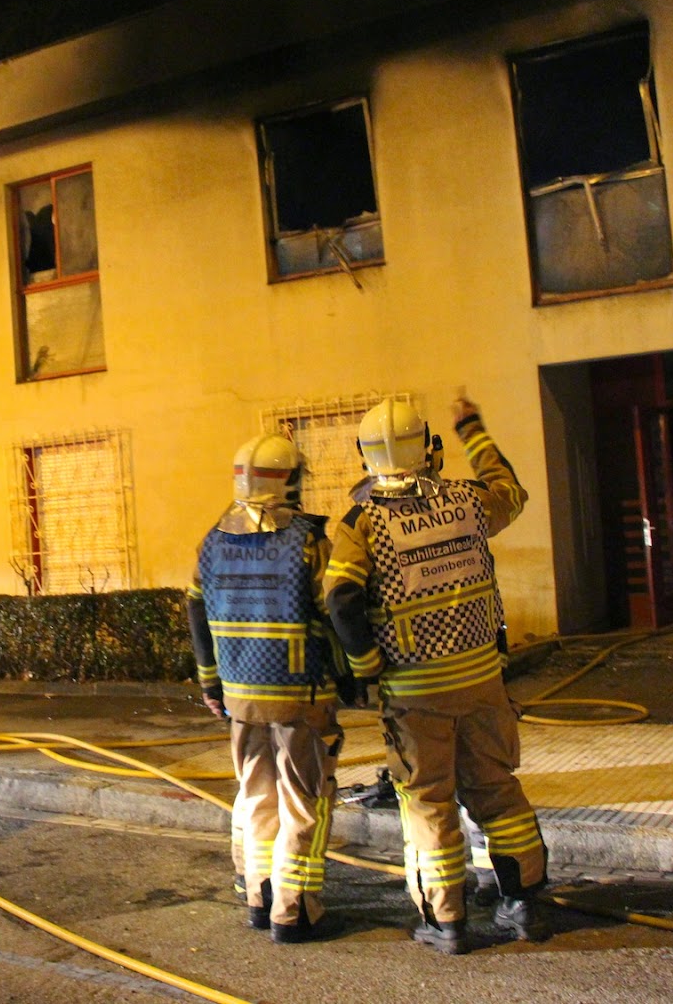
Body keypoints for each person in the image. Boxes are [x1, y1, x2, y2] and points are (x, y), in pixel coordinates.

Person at [323, 395, 548, 955]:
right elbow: (511, 489)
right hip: (482, 682)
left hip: (416, 692)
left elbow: (342, 597)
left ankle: (445, 922)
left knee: (428, 803)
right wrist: (474, 427)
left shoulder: (360, 522)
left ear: (365, 455)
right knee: (497, 791)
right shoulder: (470, 500)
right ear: (430, 448)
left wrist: (366, 667)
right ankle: (524, 905)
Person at [187, 432, 347, 945]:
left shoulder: (212, 540)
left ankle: (258, 897)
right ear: (289, 482)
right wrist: (354, 676)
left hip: (238, 695)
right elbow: (332, 613)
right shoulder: (307, 540)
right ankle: (294, 911)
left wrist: (210, 681)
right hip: (300, 695)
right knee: (304, 800)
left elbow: (194, 608)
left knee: (256, 796)